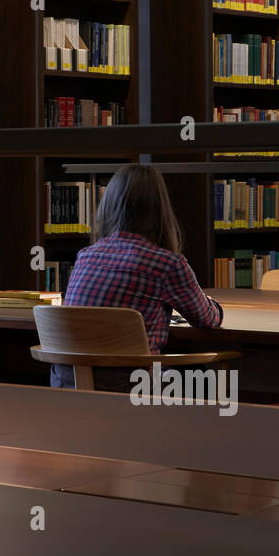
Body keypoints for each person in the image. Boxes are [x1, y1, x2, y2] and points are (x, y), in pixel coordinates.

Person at [50, 163, 222, 390]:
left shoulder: (86, 256)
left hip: (67, 382)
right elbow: (207, 318)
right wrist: (209, 302)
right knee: (205, 376)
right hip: (129, 386)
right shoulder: (166, 263)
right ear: (161, 210)